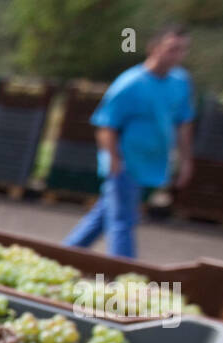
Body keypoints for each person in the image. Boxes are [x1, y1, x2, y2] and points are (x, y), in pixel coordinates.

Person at [63, 24, 196, 260]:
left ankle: (62, 256)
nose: (177, 55)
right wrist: (115, 160)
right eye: (172, 49)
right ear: (153, 49)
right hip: (125, 165)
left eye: (182, 50)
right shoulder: (130, 84)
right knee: (123, 221)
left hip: (152, 166)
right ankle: (125, 278)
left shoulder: (180, 82)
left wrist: (186, 161)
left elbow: (183, 123)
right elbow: (106, 125)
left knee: (104, 217)